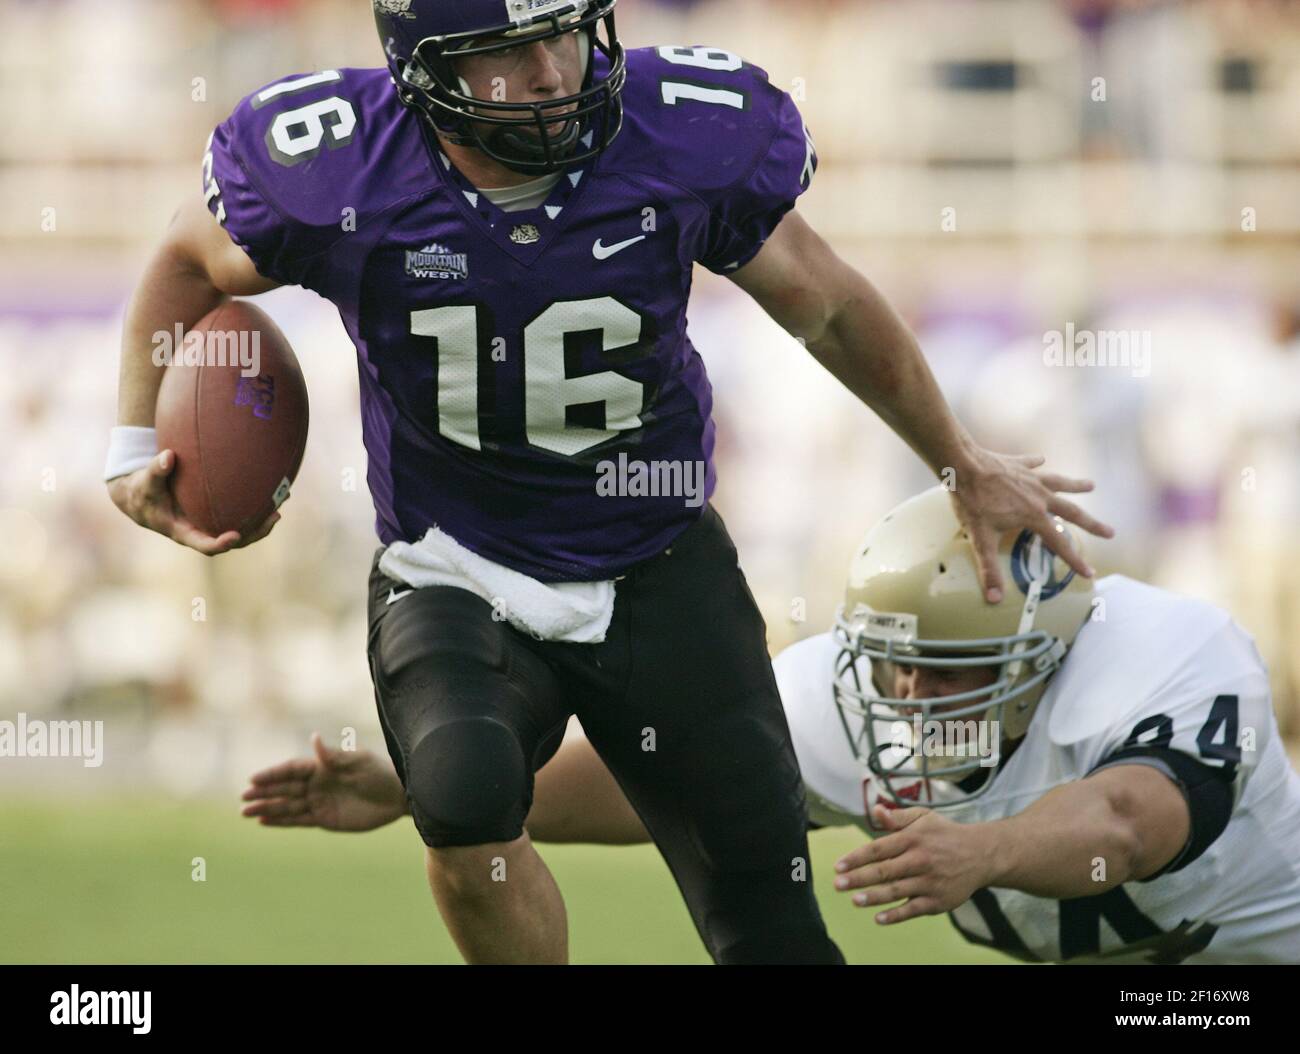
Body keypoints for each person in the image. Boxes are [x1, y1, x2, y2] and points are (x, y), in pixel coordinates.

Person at [108, 0, 1111, 964]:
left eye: (565, 33)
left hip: (657, 557)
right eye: (511, 50)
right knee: (463, 799)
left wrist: (959, 459)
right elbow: (185, 260)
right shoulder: (340, 166)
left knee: (769, 919)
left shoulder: (675, 138)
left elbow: (830, 307)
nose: (552, 73)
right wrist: (125, 445)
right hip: (454, 563)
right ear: (427, 69)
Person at [246, 487, 1300, 964]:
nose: (909, 703)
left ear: (1045, 651)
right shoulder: (850, 696)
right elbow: (656, 779)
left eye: (946, 674)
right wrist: (426, 787)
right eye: (895, 668)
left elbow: (1129, 822)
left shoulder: (1167, 656)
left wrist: (983, 850)